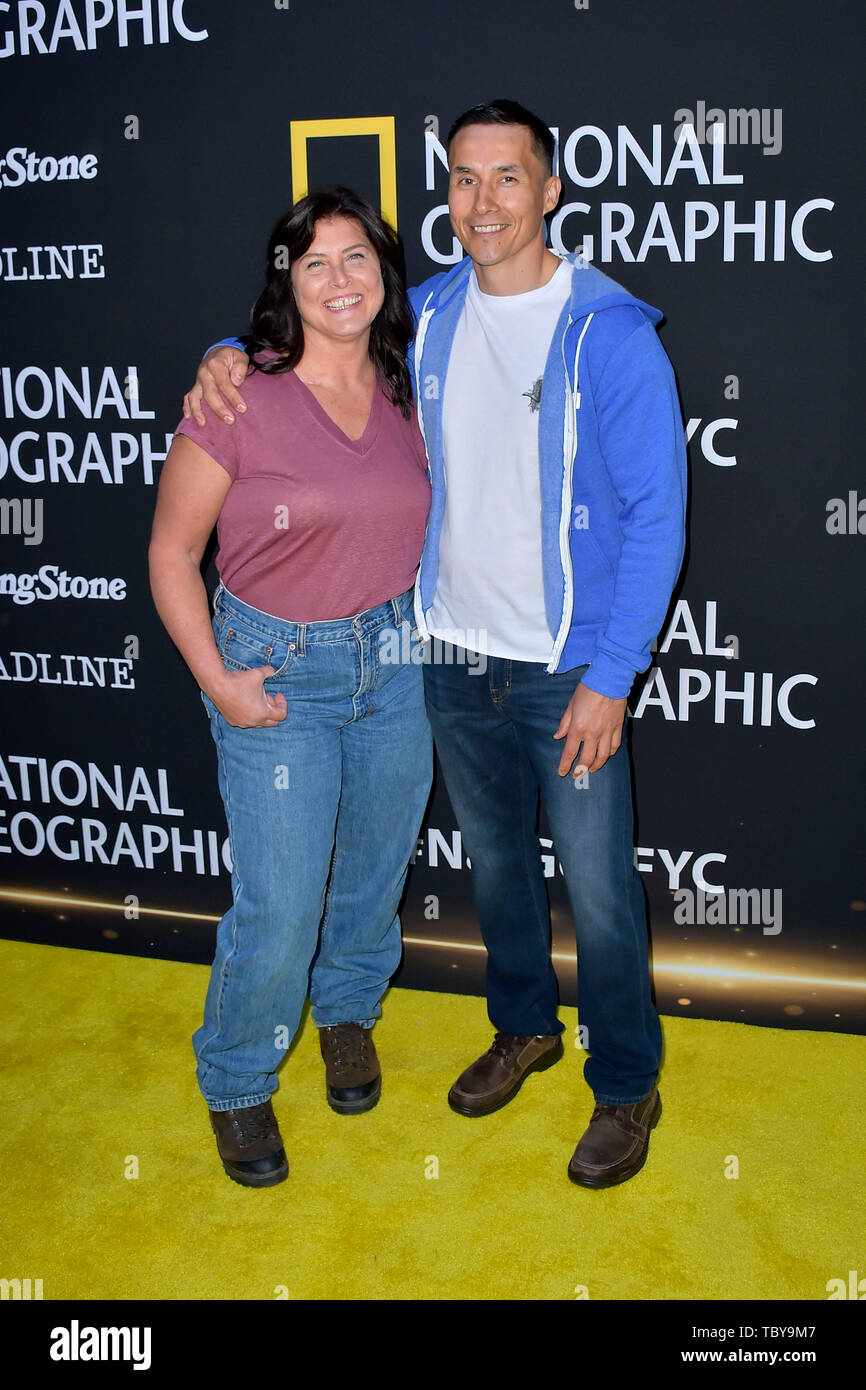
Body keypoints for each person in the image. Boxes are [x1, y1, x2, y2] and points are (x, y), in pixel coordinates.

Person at [185, 99, 687, 1189]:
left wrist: (611, 674)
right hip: (446, 655)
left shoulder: (609, 331)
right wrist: (225, 351)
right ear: (445, 194)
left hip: (564, 669)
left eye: (507, 178)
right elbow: (313, 323)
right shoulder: (436, 311)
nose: (483, 201)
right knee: (501, 870)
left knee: (597, 886)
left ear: (548, 190)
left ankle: (625, 1083)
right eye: (462, 179)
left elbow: (656, 516)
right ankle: (523, 1027)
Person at [149, 187, 433, 1188]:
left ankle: (346, 1011)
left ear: (383, 274)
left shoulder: (411, 384)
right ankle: (235, 1077)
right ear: (286, 282)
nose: (338, 278)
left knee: (370, 873)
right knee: (277, 902)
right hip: (279, 669)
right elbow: (172, 555)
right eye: (313, 262)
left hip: (397, 661)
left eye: (356, 257)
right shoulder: (237, 398)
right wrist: (219, 681)